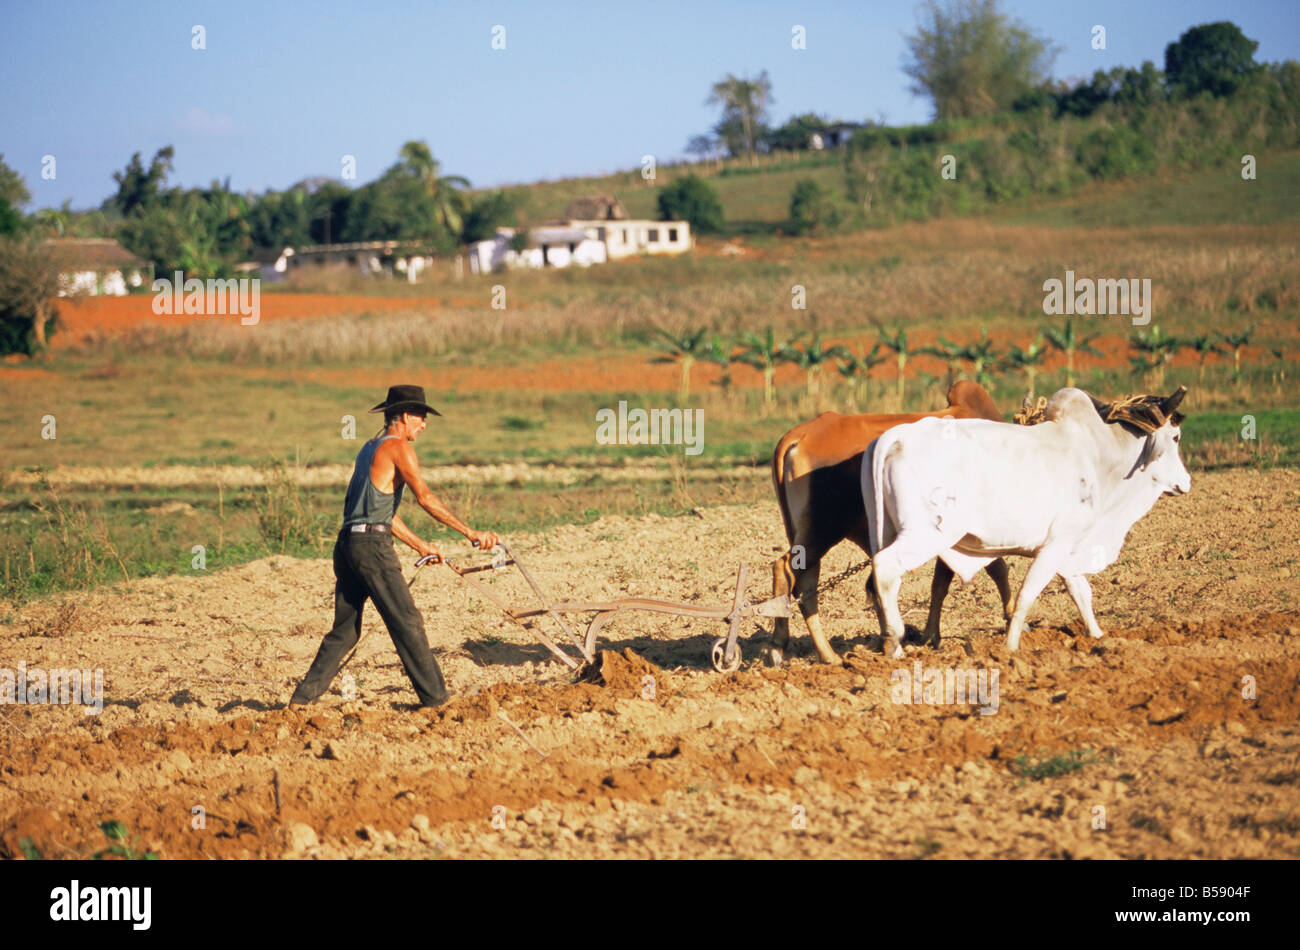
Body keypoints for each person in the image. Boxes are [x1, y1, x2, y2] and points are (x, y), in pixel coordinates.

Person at [290, 384, 499, 708]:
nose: (424, 424)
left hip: (347, 544)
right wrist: (469, 532)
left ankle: (301, 700)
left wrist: (420, 545)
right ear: (405, 415)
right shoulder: (399, 448)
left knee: (345, 632)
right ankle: (436, 699)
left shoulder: (368, 448)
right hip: (371, 547)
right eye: (421, 417)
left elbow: (383, 512)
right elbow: (425, 498)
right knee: (407, 619)